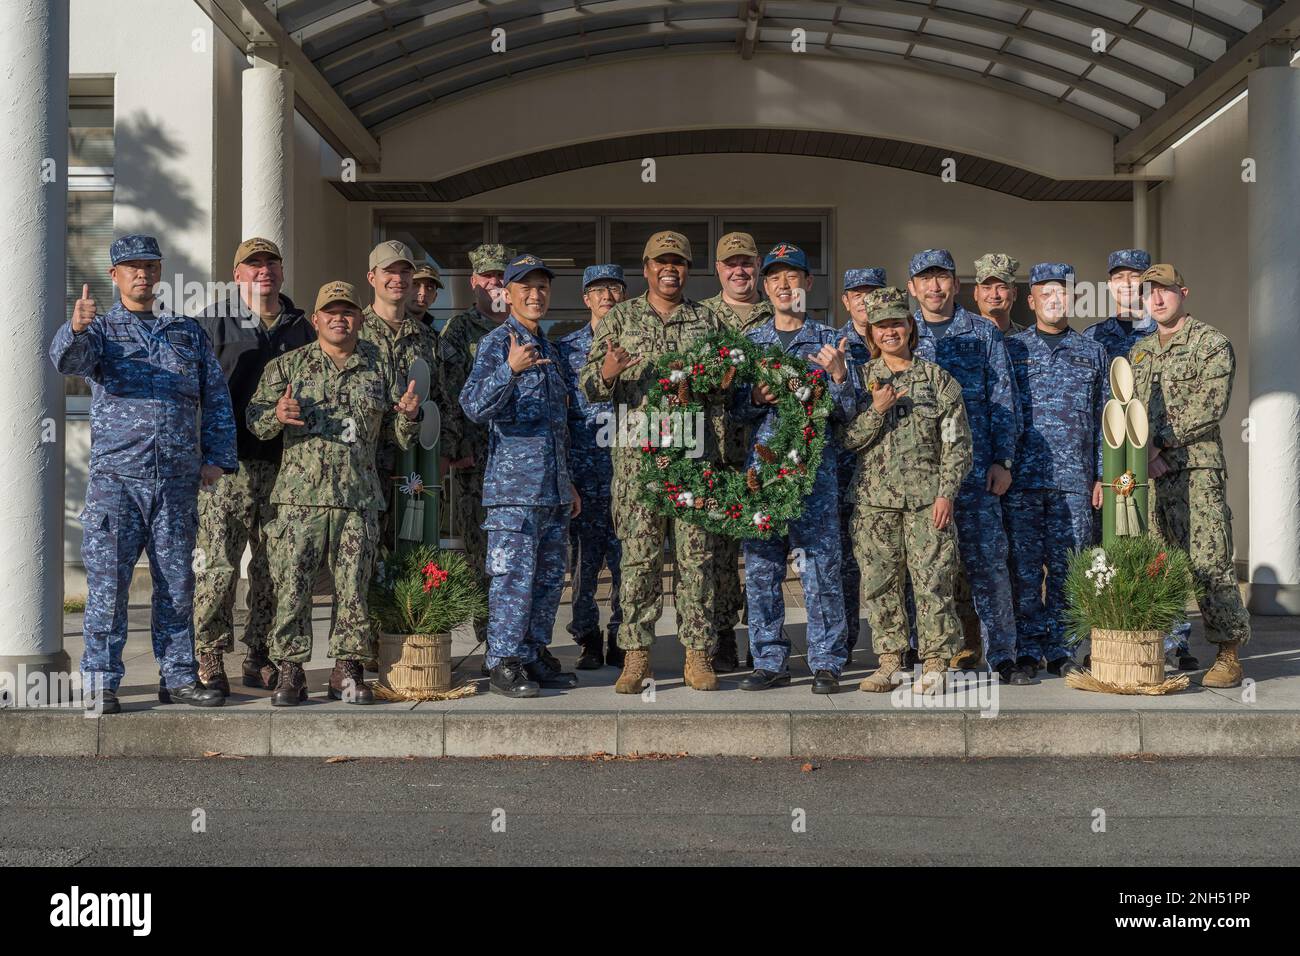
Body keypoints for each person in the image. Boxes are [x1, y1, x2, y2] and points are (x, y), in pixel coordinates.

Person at [50, 234, 236, 713]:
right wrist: (73, 328)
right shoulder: (101, 332)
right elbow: (67, 362)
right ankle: (101, 682)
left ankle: (176, 677)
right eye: (131, 267)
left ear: (159, 272)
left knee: (176, 585)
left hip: (176, 482)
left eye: (150, 266)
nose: (142, 274)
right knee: (108, 587)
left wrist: (217, 456)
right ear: (114, 275)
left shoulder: (184, 331)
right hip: (117, 482)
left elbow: (214, 396)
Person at [247, 281, 422, 706]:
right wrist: (276, 414)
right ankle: (291, 671)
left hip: (358, 498)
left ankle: (347, 670)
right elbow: (256, 420)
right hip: (299, 501)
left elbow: (399, 437)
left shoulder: (380, 368)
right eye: (331, 312)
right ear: (316, 320)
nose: (339, 319)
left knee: (353, 589)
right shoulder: (287, 367)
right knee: (292, 586)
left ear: (359, 319)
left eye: (347, 312)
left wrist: (410, 418)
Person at [579, 230, 725, 694]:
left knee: (695, 561)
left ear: (687, 269)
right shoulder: (620, 318)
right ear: (645, 269)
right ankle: (637, 655)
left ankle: (697, 654)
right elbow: (587, 384)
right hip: (638, 464)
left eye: (678, 262)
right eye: (661, 261)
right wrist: (607, 373)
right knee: (638, 561)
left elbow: (728, 383)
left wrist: (722, 379)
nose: (670, 269)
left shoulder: (708, 320)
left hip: (691, 461)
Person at [192, 237, 315, 695]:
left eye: (271, 263)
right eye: (254, 264)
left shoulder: (302, 328)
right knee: (219, 566)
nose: (264, 271)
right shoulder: (210, 323)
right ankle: (209, 653)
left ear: (282, 273)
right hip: (226, 468)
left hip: (287, 468)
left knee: (272, 567)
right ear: (237, 273)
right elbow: (193, 395)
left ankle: (258, 654)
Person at [731, 243, 855, 693]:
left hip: (814, 477)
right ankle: (768, 659)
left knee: (820, 570)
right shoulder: (752, 344)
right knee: (763, 570)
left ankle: (826, 661)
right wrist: (753, 399)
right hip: (762, 476)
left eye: (793, 276)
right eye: (775, 277)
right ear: (765, 287)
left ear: (807, 283)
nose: (785, 285)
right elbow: (731, 411)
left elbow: (849, 413)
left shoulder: (830, 341)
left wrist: (840, 378)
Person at [460, 254, 581, 697]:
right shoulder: (497, 344)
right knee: (512, 577)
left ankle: (532, 652)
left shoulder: (549, 348)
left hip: (551, 490)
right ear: (505, 294)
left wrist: (566, 481)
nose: (535, 295)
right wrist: (509, 371)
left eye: (542, 287)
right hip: (513, 491)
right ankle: (503, 660)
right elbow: (473, 407)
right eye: (524, 288)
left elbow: (558, 425)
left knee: (549, 578)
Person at [845, 287, 972, 695]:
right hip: (873, 501)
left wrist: (945, 494)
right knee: (880, 583)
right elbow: (843, 440)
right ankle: (890, 662)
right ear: (872, 334)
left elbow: (957, 444)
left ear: (910, 327)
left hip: (925, 502)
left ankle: (936, 662)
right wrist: (876, 411)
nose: (889, 332)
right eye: (881, 326)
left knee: (933, 580)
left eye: (896, 323)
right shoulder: (858, 382)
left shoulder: (939, 381)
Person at [1130, 264, 1252, 687]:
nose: (1158, 299)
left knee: (1209, 560)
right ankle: (1154, 649)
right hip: (1151, 475)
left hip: (1196, 472)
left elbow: (1209, 405)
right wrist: (1142, 454)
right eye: (1150, 292)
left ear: (1183, 292)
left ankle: (1227, 653)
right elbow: (1128, 411)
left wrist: (1157, 443)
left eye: (1165, 290)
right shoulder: (1139, 353)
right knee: (1154, 562)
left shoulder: (1211, 343)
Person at [908, 249, 1020, 677]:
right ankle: (929, 651)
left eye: (942, 278)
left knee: (988, 564)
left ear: (956, 285)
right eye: (926, 279)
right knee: (927, 568)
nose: (934, 287)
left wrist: (1003, 460)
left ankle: (1002, 655)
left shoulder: (982, 333)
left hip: (975, 471)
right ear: (913, 287)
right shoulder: (902, 331)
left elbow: (1003, 400)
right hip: (919, 475)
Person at [1084, 249, 1196, 670]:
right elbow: (1100, 410)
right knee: (1114, 547)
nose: (1127, 285)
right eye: (1119, 278)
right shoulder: (1095, 338)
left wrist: (1156, 448)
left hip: (1165, 462)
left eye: (1136, 278)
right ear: (1109, 285)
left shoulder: (1168, 333)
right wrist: (1102, 472)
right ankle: (1118, 633)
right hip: (1118, 465)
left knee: (1166, 548)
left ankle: (1173, 639)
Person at [1003, 263, 1108, 683]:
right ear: (1031, 301)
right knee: (1025, 569)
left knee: (1070, 567)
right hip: (1023, 480)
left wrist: (1100, 475)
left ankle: (1063, 648)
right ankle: (1027, 648)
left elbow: (1106, 421)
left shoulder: (1093, 352)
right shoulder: (1012, 350)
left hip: (1074, 482)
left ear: (1074, 299)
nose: (1053, 299)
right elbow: (1001, 413)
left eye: (1062, 292)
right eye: (1045, 292)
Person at [700, 232, 773, 672]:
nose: (739, 270)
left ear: (757, 265)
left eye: (746, 262)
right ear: (719, 269)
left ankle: (764, 642)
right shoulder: (701, 317)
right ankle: (722, 635)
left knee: (763, 555)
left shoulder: (780, 314)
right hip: (716, 450)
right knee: (719, 554)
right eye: (731, 264)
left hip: (766, 455)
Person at [440, 243, 514, 664]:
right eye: (488, 277)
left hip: (519, 460)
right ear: (474, 283)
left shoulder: (525, 326)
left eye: (502, 276)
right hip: (476, 463)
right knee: (483, 555)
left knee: (518, 555)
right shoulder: (459, 332)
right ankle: (493, 642)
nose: (496, 283)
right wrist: (455, 451)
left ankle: (517, 640)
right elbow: (450, 398)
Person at [557, 264, 626, 670]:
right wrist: (566, 477)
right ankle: (587, 638)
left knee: (626, 565)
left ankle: (620, 636)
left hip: (625, 474)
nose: (607, 297)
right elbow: (560, 420)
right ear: (586, 298)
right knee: (583, 567)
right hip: (584, 474)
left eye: (614, 289)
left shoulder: (636, 343)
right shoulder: (566, 350)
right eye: (598, 290)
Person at [359, 240, 441, 557]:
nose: (398, 279)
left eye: (405, 272)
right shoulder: (354, 332)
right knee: (365, 560)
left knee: (413, 556)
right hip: (366, 466)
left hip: (414, 466)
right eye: (389, 271)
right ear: (372, 278)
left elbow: (442, 399)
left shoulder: (427, 337)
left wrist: (443, 452)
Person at [837, 267, 886, 660]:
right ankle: (845, 643)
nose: (866, 302)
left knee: (893, 563)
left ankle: (903, 647)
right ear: (846, 301)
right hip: (843, 470)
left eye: (873, 293)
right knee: (843, 566)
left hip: (891, 474)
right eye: (858, 295)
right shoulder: (833, 343)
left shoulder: (901, 339)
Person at [972, 253, 1026, 335]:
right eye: (986, 287)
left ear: (1014, 293)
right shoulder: (959, 339)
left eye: (1002, 287)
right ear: (976, 293)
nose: (994, 295)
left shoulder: (1030, 339)